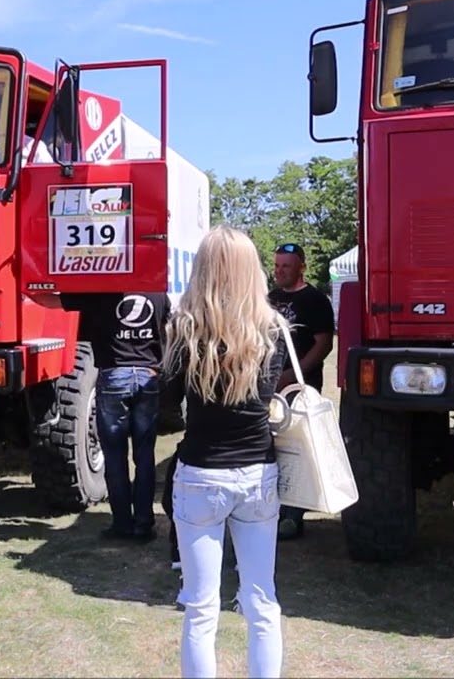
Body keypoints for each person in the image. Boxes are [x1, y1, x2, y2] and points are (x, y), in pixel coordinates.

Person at [162, 225, 291, 679]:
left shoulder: (184, 329)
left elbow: (167, 409)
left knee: (200, 608)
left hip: (200, 473)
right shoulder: (272, 329)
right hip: (257, 473)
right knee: (262, 602)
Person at [34, 291, 172, 541]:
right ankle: (143, 524)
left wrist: (24, 286)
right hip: (147, 377)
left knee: (115, 457)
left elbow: (49, 301)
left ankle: (121, 524)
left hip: (113, 376)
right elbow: (167, 331)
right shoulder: (157, 294)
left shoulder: (102, 291)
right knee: (144, 456)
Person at [266, 242, 336, 540]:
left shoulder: (315, 300)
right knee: (270, 446)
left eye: (287, 266)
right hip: (268, 385)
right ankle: (270, 508)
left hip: (300, 386)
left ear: (301, 268)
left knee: (297, 449)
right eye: (278, 266)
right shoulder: (268, 298)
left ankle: (293, 515)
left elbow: (324, 343)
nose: (280, 271)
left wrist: (294, 374)